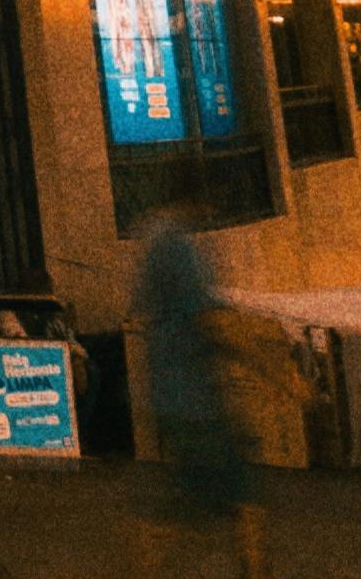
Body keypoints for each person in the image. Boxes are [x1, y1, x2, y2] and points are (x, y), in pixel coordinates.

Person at [132, 188, 267, 574]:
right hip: (196, 400)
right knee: (241, 498)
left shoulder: (154, 238)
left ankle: (148, 557)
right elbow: (209, 320)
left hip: (173, 395)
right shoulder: (179, 246)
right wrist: (273, 372)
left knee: (195, 503)